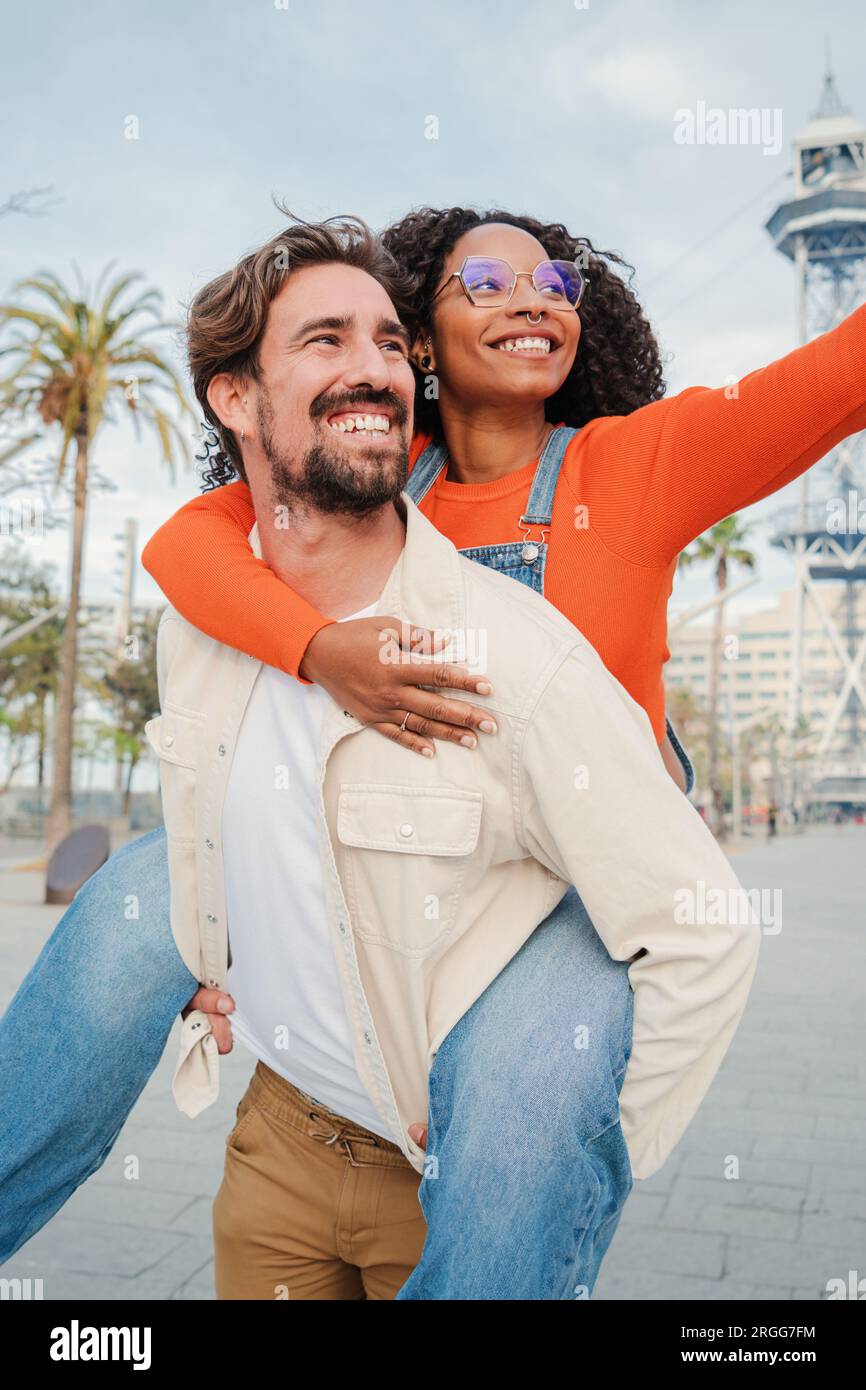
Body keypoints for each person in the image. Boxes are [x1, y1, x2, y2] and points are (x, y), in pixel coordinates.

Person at [1, 202, 863, 1295]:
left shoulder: (637, 463)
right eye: (486, 284)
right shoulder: (382, 473)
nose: (529, 301)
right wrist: (320, 651)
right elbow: (185, 546)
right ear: (420, 343)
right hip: (428, 860)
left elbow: (836, 375)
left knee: (524, 1099)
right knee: (129, 908)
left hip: (572, 887)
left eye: (553, 285)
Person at [151, 216, 759, 1298]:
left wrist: (551, 1167)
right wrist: (214, 952)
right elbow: (212, 784)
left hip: (444, 1182)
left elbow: (701, 931)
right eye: (327, 339)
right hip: (273, 1151)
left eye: (382, 341)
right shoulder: (206, 620)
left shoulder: (517, 651)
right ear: (235, 399)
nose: (370, 366)